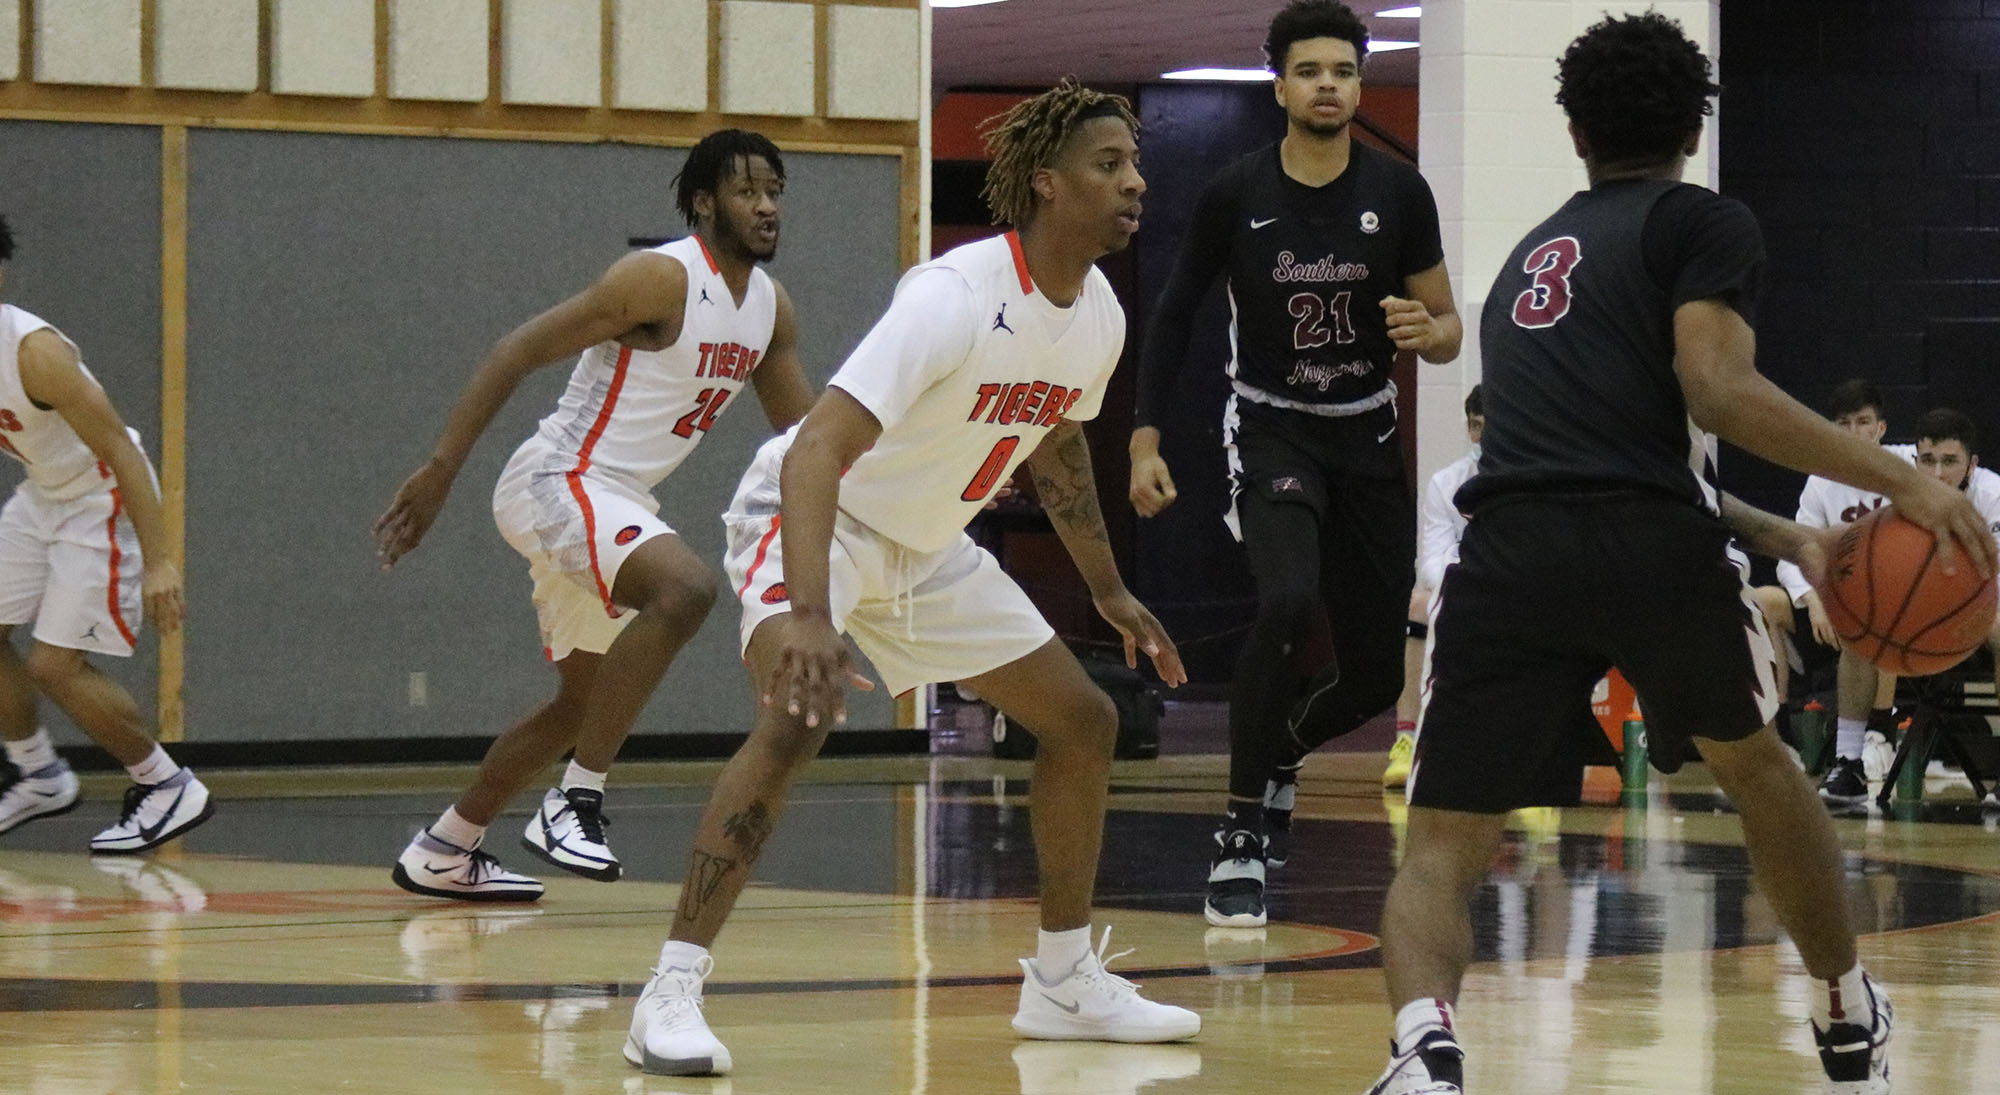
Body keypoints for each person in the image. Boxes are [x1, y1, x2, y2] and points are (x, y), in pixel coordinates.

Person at [1365, 14, 1995, 1095]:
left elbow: (1584, 455)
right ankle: (1845, 1014)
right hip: (1647, 548)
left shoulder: (1529, 260)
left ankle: (1424, 1050)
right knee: (1759, 770)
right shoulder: (1698, 220)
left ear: (1572, 131)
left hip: (1510, 551)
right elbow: (1715, 392)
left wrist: (1784, 532)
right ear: (1694, 125)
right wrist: (1906, 480)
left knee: (1439, 841)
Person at [623, 80, 1199, 1078]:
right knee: (796, 719)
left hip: (928, 548)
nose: (1134, 182)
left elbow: (1055, 444)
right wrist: (809, 614)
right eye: (1110, 166)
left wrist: (1104, 588)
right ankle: (667, 993)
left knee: (1082, 720)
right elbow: (814, 454)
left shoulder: (1096, 314)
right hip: (815, 516)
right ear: (1048, 185)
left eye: (1134, 164)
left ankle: (1061, 980)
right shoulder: (954, 296)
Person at [373, 129, 816, 901]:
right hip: (559, 477)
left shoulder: (769, 311)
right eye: (748, 191)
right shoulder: (657, 279)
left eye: (775, 190)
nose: (767, 205)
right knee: (684, 589)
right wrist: (441, 469)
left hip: (614, 500)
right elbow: (515, 349)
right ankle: (576, 799)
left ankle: (448, 844)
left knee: (581, 703)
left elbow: (806, 442)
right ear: (707, 203)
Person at [1127, 0, 1461, 929]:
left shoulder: (1401, 192)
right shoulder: (1237, 191)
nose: (1328, 85)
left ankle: (1280, 754)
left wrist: (1425, 331)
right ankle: (1240, 834)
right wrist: (1145, 435)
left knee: (1368, 678)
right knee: (1283, 603)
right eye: (1310, 70)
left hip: (1369, 435)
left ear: (1359, 83)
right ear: (1280, 84)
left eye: (1344, 71)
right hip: (1273, 429)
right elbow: (1176, 311)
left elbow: (1447, 324)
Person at [0, 216, 206, 854]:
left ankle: (166, 784)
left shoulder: (33, 351)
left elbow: (121, 448)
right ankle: (37, 774)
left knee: (54, 666)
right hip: (43, 497)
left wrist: (162, 561)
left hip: (101, 499)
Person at [1763, 380, 1906, 803]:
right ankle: (1782, 730)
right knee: (1762, 602)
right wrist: (1814, 601)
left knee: (1882, 602)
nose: (1853, 432)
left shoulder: (1907, 467)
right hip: (1832, 607)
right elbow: (1790, 554)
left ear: (1880, 428)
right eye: (1843, 423)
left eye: (1863, 422)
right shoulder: (1822, 481)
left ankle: (1878, 731)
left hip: (1892, 614)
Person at [1383, 385, 1481, 790]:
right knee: (1417, 604)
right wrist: (1471, 581)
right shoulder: (1447, 483)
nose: (1481, 438)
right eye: (1475, 427)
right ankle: (1407, 738)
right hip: (1466, 588)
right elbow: (1431, 562)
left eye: (1489, 427)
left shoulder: (1533, 476)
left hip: (1520, 592)